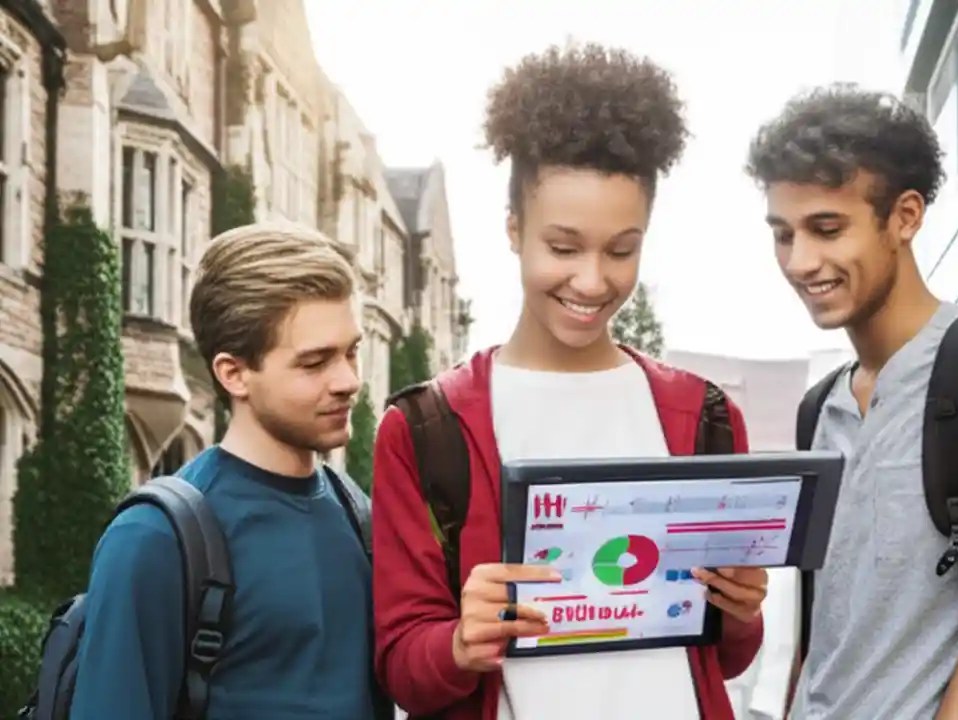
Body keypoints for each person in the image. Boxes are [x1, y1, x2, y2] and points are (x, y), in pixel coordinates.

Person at [372, 43, 766, 720]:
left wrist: (741, 607)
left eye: (622, 249)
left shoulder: (704, 416)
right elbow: (403, 670)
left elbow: (724, 657)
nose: (592, 281)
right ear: (514, 230)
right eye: (562, 247)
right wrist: (460, 643)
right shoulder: (424, 430)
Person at [746, 85, 958, 719]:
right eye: (783, 234)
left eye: (826, 229)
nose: (800, 261)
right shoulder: (819, 409)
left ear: (904, 216)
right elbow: (826, 635)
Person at [70, 222, 380, 719]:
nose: (347, 381)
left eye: (351, 352)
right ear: (233, 373)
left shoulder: (357, 514)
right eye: (314, 362)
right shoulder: (155, 537)